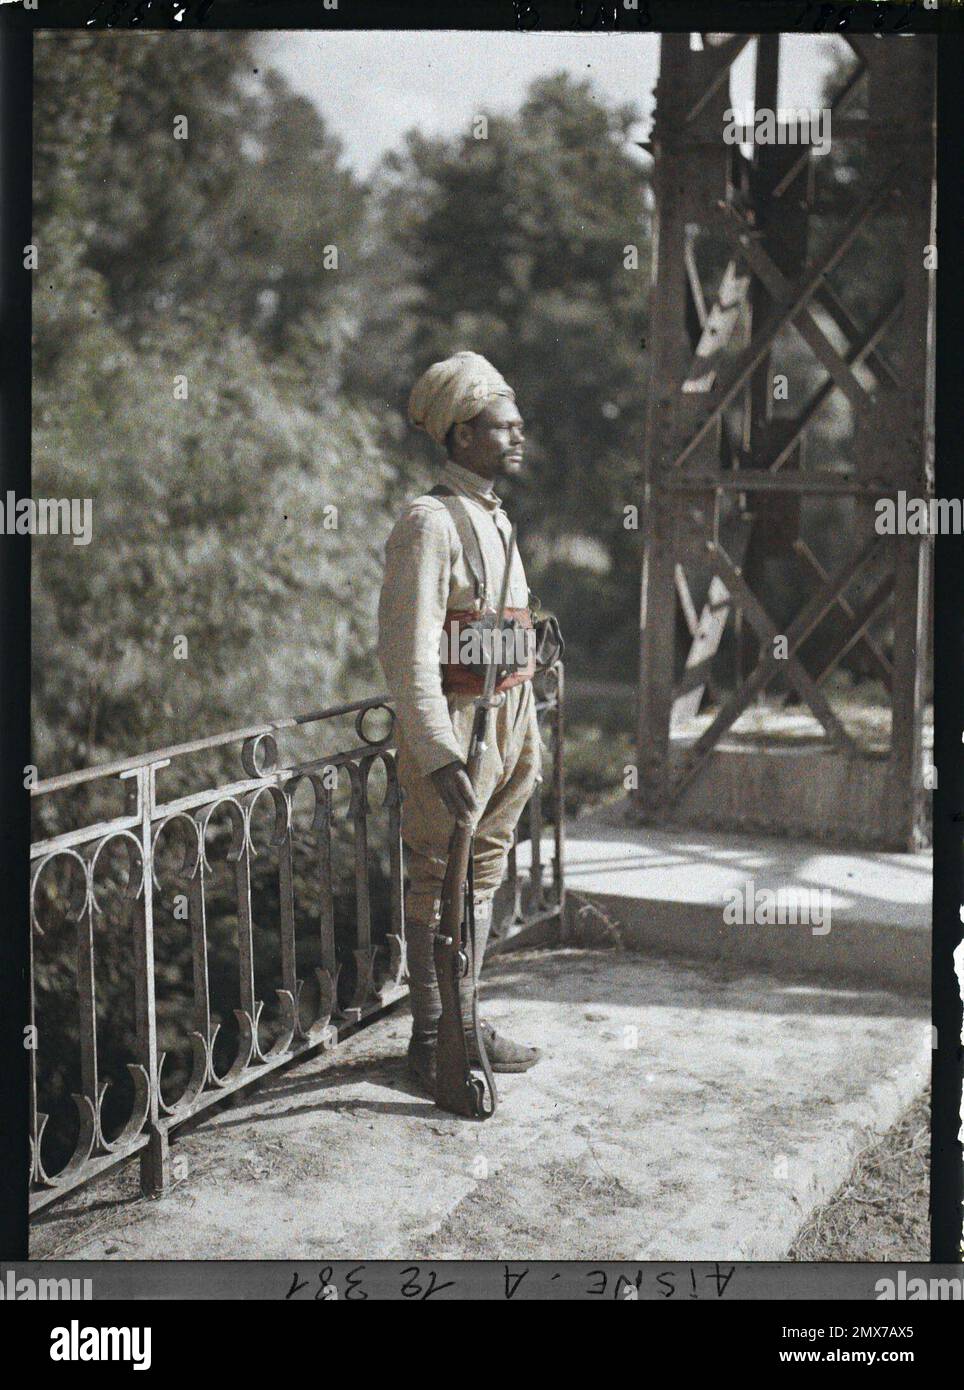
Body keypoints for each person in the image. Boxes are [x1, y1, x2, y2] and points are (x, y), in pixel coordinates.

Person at [378, 350, 544, 1092]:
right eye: (503, 427)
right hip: (457, 726)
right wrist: (439, 752)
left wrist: (525, 727)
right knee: (436, 876)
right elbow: (407, 651)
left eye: (518, 425)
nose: (518, 436)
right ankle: (431, 1037)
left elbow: (500, 625)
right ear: (461, 435)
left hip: (507, 718)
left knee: (481, 874)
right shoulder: (428, 522)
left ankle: (465, 1021)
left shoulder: (495, 517)